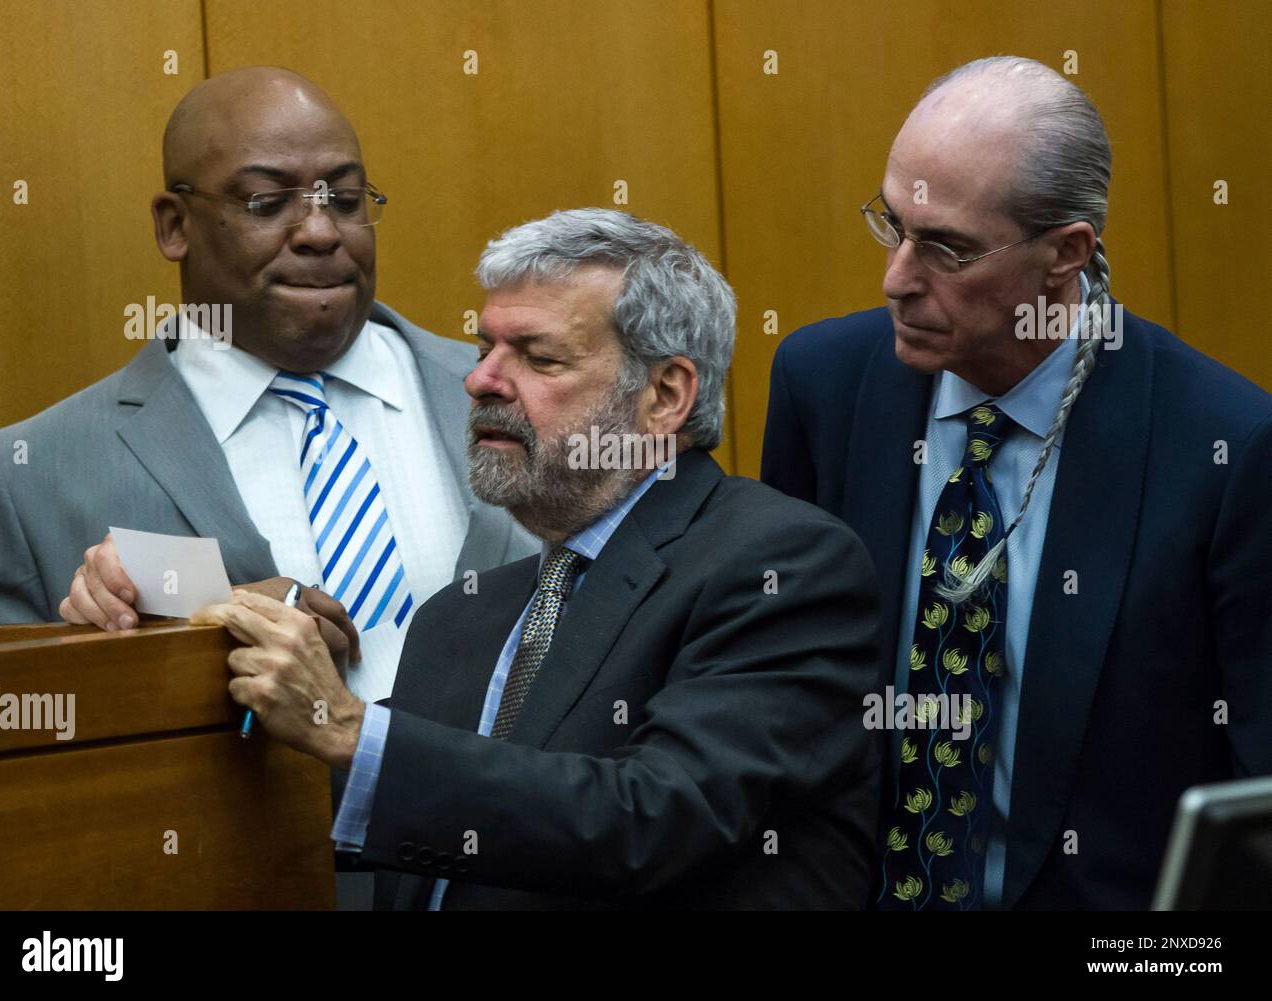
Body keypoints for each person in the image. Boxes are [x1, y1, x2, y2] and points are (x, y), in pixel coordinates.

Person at [193, 208, 884, 909]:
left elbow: (652, 820)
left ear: (665, 395)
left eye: (537, 356)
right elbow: (363, 792)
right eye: (485, 347)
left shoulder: (781, 565)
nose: (481, 379)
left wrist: (346, 725)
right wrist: (179, 600)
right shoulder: (460, 615)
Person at [761, 56, 1272, 910]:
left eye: (946, 249)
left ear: (1065, 253)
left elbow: (1257, 810)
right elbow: (785, 697)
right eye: (892, 226)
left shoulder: (1225, 447)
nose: (896, 278)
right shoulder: (823, 385)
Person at [0, 67, 536, 703]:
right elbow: (14, 756)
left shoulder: (523, 393)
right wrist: (150, 635)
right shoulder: (21, 479)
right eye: (266, 204)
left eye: (346, 201)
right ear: (174, 226)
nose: (321, 232)